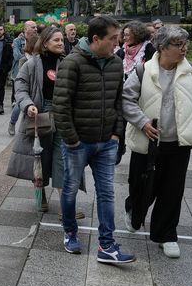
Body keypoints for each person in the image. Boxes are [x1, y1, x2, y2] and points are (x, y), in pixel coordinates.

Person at [122, 26, 192, 258]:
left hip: (179, 143)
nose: (184, 49)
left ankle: (166, 235)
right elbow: (126, 100)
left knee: (172, 190)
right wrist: (142, 121)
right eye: (178, 45)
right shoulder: (142, 71)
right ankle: (133, 209)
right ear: (163, 47)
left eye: (185, 44)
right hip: (147, 141)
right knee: (141, 186)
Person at [52, 16, 135, 263]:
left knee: (107, 193)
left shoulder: (115, 62)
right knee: (69, 191)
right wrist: (72, 140)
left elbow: (119, 102)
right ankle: (70, 232)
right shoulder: (72, 63)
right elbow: (61, 105)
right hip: (78, 143)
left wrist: (116, 134)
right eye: (112, 39)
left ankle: (107, 246)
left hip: (106, 142)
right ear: (96, 39)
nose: (116, 43)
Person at [7, 27, 86, 218]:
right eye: (56, 40)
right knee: (39, 158)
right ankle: (39, 195)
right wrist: (27, 105)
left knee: (62, 160)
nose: (60, 43)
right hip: (39, 116)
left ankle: (66, 206)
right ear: (45, 43)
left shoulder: (67, 63)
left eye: (61, 40)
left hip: (63, 116)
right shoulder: (30, 64)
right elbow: (20, 87)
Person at [9, 21, 38, 132]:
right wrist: (28, 59)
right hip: (20, 73)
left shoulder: (39, 40)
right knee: (19, 103)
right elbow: (17, 56)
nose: (35, 29)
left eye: (36, 27)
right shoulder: (18, 41)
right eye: (33, 27)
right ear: (26, 29)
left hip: (36, 76)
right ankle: (12, 123)